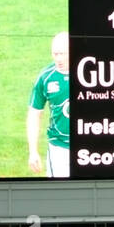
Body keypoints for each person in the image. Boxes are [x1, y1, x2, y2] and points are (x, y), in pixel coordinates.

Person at [27, 31, 70, 177]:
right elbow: (34, 114)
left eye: (62, 54)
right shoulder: (46, 77)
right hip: (59, 148)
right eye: (55, 54)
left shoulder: (93, 72)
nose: (58, 59)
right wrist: (33, 151)